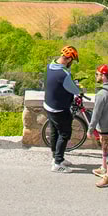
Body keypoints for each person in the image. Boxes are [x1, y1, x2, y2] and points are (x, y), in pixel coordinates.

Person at [44, 45, 81, 173]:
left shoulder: (50, 66)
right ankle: (58, 163)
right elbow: (74, 90)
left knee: (55, 132)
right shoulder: (63, 73)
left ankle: (55, 157)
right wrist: (80, 88)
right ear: (69, 60)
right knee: (65, 134)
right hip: (59, 108)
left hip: (48, 105)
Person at [88, 65, 108, 187]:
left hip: (106, 126)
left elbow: (96, 114)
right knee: (107, 150)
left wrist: (90, 129)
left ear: (103, 76)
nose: (96, 76)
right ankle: (103, 167)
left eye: (97, 74)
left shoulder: (102, 94)